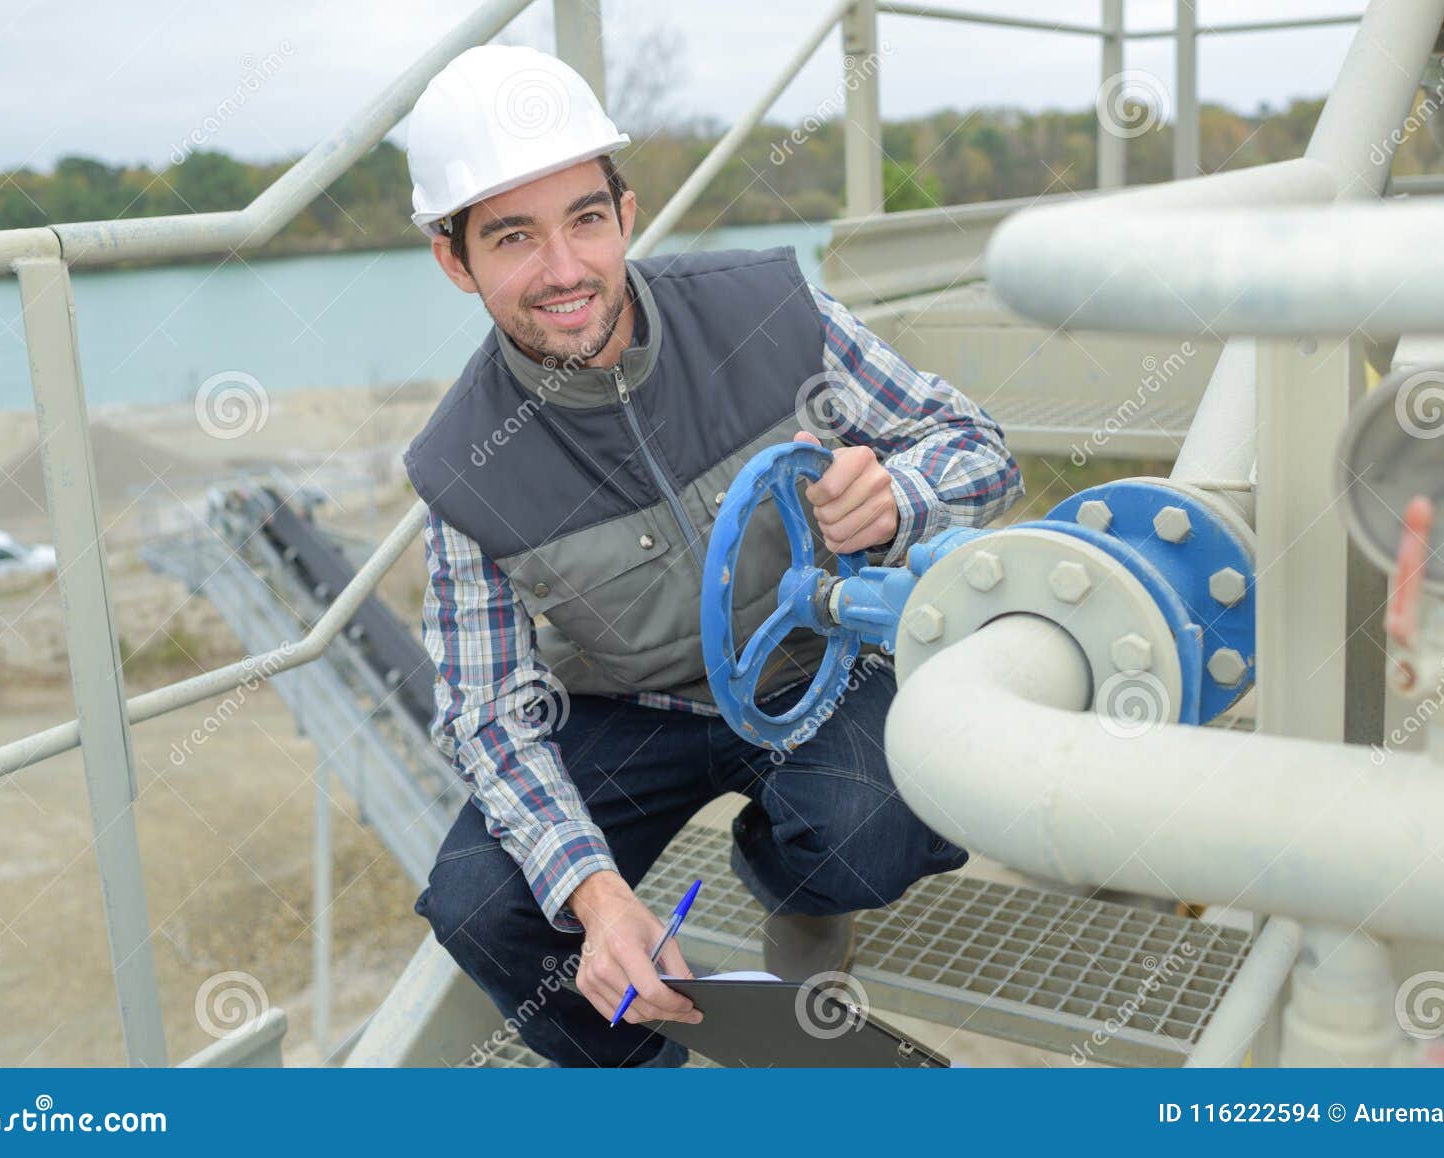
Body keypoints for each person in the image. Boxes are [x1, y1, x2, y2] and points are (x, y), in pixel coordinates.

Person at [401, 44, 1023, 1068]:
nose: (563, 271)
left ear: (627, 214)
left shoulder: (768, 314)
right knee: (481, 909)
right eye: (513, 237)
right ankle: (653, 1073)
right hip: (627, 706)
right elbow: (488, 712)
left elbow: (981, 454)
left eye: (585, 220)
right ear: (454, 260)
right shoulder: (461, 469)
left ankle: (790, 874)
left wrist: (897, 498)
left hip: (813, 664)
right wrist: (596, 900)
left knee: (876, 826)